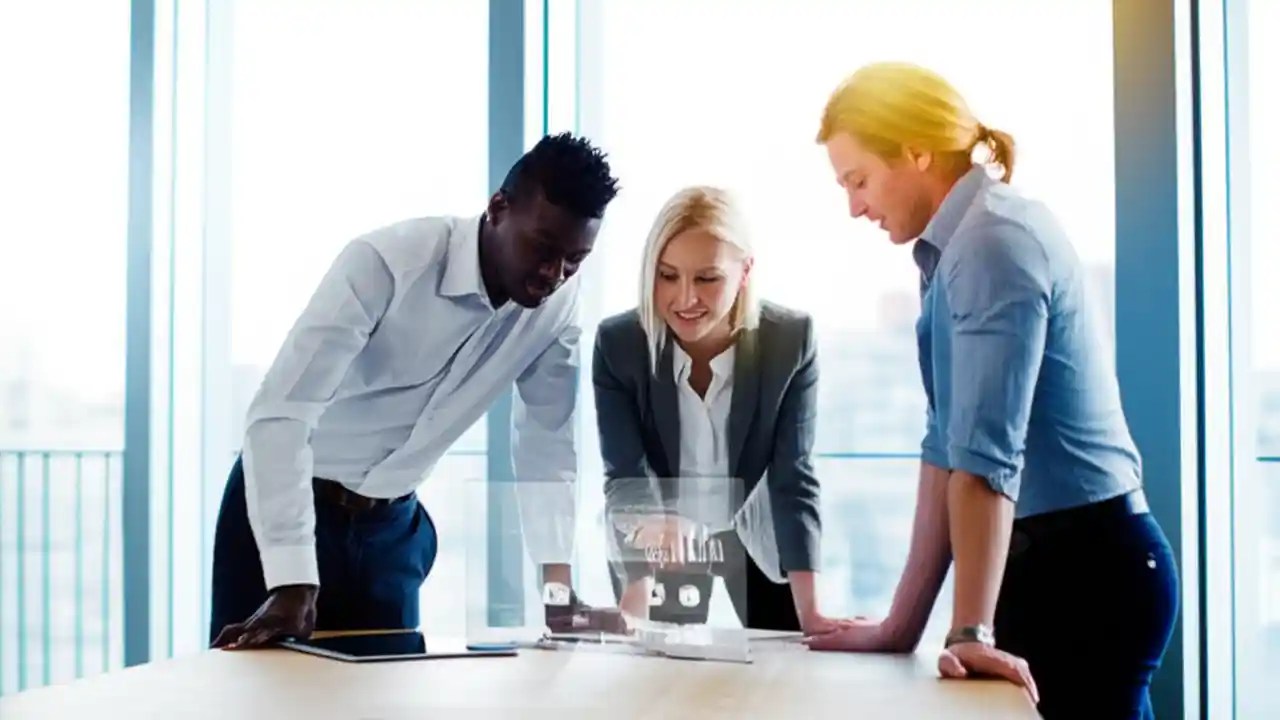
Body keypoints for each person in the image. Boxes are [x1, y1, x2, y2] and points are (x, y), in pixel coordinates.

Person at [804, 62, 1179, 719]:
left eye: (858, 180)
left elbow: (986, 454)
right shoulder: (953, 248)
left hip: (1088, 571)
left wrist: (970, 631)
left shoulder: (993, 241)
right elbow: (945, 448)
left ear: (917, 152)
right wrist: (901, 626)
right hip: (1047, 564)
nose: (854, 207)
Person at [209, 132, 624, 649]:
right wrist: (292, 579)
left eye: (574, 260)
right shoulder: (387, 262)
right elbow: (280, 414)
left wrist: (557, 592)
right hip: (285, 513)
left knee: (389, 688)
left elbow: (548, 444)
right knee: (253, 687)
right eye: (542, 249)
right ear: (498, 208)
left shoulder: (559, 308)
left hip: (392, 531)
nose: (554, 274)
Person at [592, 186, 848, 635]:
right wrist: (637, 586)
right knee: (661, 663)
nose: (685, 298)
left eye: (707, 279)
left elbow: (793, 477)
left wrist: (812, 611)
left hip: (756, 530)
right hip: (663, 533)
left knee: (785, 659)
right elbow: (626, 474)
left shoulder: (789, 342)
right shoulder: (620, 346)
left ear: (745, 272)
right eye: (667, 276)